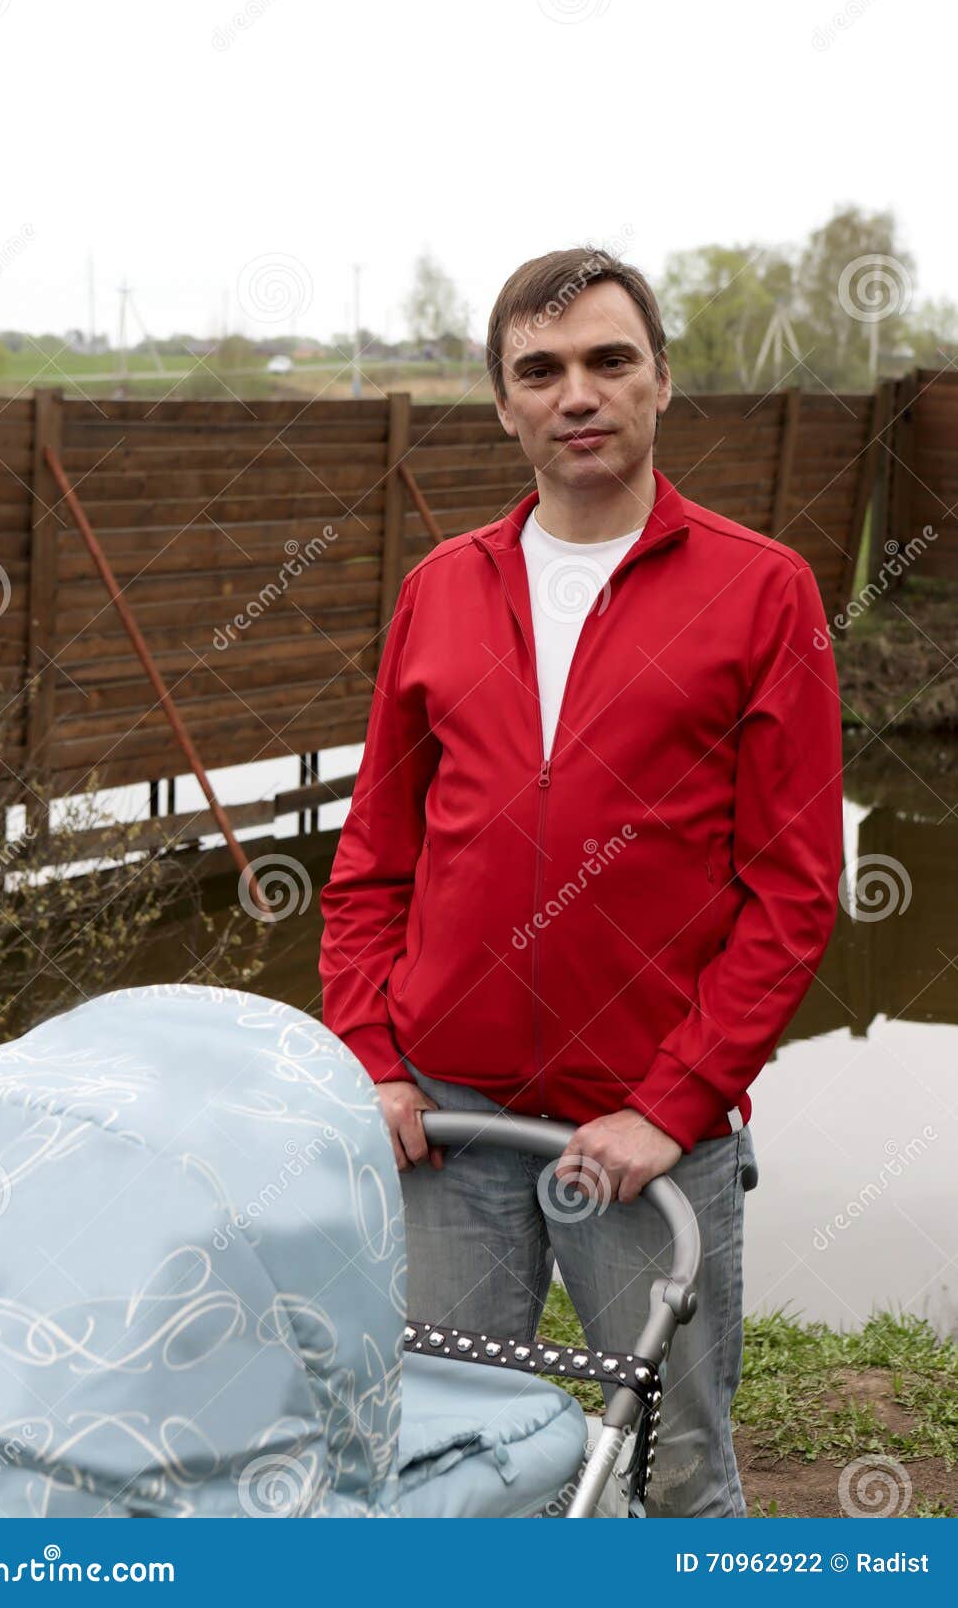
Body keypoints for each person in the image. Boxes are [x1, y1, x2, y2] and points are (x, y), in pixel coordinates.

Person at [317, 246, 844, 1517]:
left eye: (608, 360)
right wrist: (373, 1059)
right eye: (539, 369)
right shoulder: (440, 590)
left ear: (659, 379)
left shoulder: (760, 590)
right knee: (447, 1454)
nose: (577, 393)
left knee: (673, 1468)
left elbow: (792, 891)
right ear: (504, 404)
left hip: (647, 1127)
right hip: (449, 1124)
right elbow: (373, 861)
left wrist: (674, 1101)